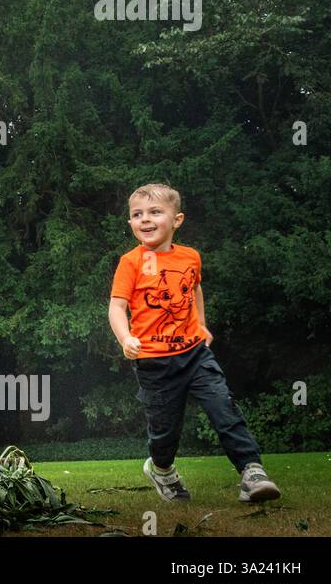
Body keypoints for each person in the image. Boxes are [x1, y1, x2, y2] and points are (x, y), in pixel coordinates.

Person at [108, 183, 280, 504]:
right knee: (164, 433)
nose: (145, 219)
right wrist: (125, 337)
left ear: (177, 220)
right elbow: (117, 306)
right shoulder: (131, 262)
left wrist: (200, 323)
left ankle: (251, 471)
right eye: (137, 214)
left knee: (223, 408)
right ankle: (162, 470)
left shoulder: (190, 257)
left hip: (195, 354)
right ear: (130, 222)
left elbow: (194, 290)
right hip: (154, 364)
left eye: (155, 212)